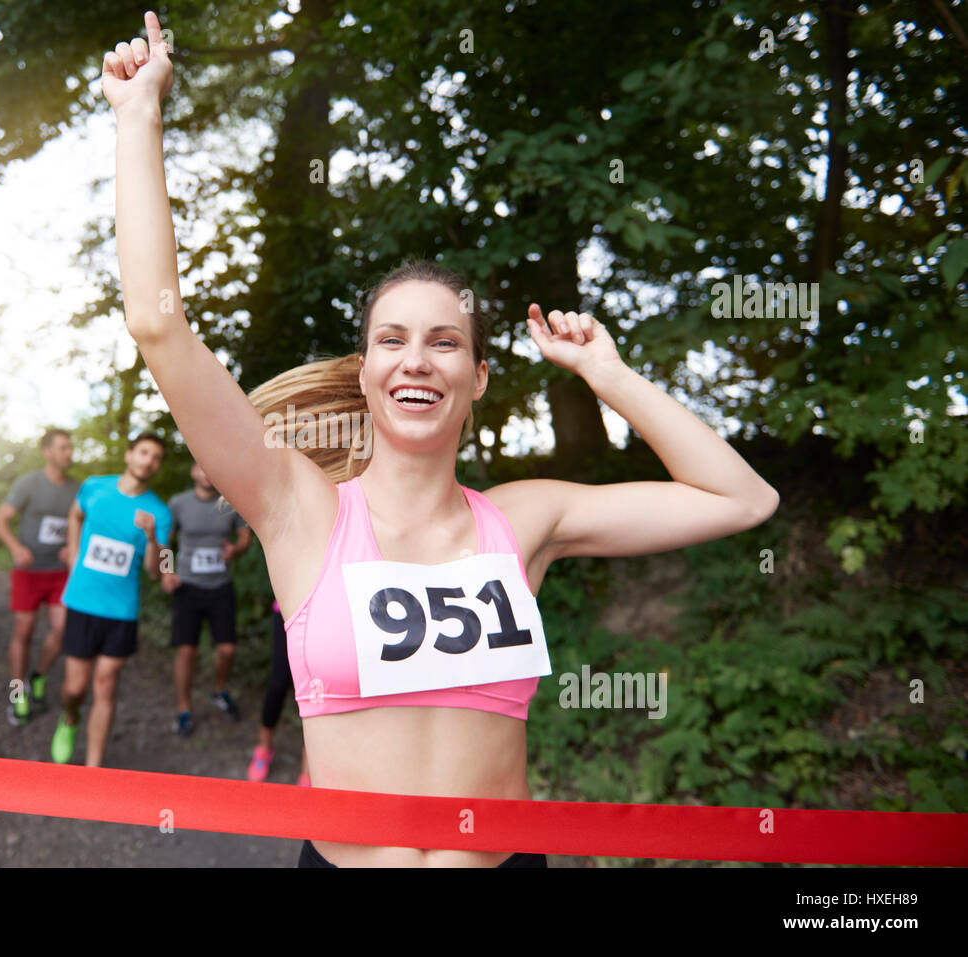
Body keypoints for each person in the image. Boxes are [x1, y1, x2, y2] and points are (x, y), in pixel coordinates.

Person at [102, 12, 779, 866]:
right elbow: (158, 329)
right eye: (392, 339)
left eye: (445, 340)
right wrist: (139, 119)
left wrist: (609, 374)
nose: (416, 360)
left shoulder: (524, 521)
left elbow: (743, 498)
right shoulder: (298, 509)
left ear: (477, 376)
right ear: (365, 369)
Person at [51, 432, 171, 767]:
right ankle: (70, 719)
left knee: (105, 685)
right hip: (82, 601)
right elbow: (75, 516)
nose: (148, 460)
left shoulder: (159, 514)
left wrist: (151, 537)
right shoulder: (94, 487)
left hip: (121, 611)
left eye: (156, 457)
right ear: (130, 455)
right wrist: (74, 555)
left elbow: (155, 571)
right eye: (144, 452)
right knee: (75, 688)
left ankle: (93, 768)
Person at [0, 428, 79, 726]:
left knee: (63, 629)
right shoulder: (29, 483)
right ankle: (17, 694)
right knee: (24, 633)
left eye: (70, 447)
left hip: (58, 573)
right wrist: (16, 548)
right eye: (64, 448)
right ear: (48, 452)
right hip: (28, 572)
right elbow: (0, 520)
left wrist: (72, 546)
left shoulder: (77, 489)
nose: (69, 452)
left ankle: (37, 676)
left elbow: (82, 525)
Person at [162, 461, 253, 736]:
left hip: (220, 586)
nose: (206, 474)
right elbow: (165, 540)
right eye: (201, 468)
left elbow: (245, 537)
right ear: (193, 472)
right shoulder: (178, 504)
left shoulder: (231, 503)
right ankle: (183, 708)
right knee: (186, 651)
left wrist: (235, 551)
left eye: (211, 468)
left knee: (227, 649)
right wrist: (167, 571)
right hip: (187, 587)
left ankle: (218, 690)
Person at [246, 599, 311, 786]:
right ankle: (264, 748)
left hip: (322, 612)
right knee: (278, 684)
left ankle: (308, 769)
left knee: (314, 690)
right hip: (287, 609)